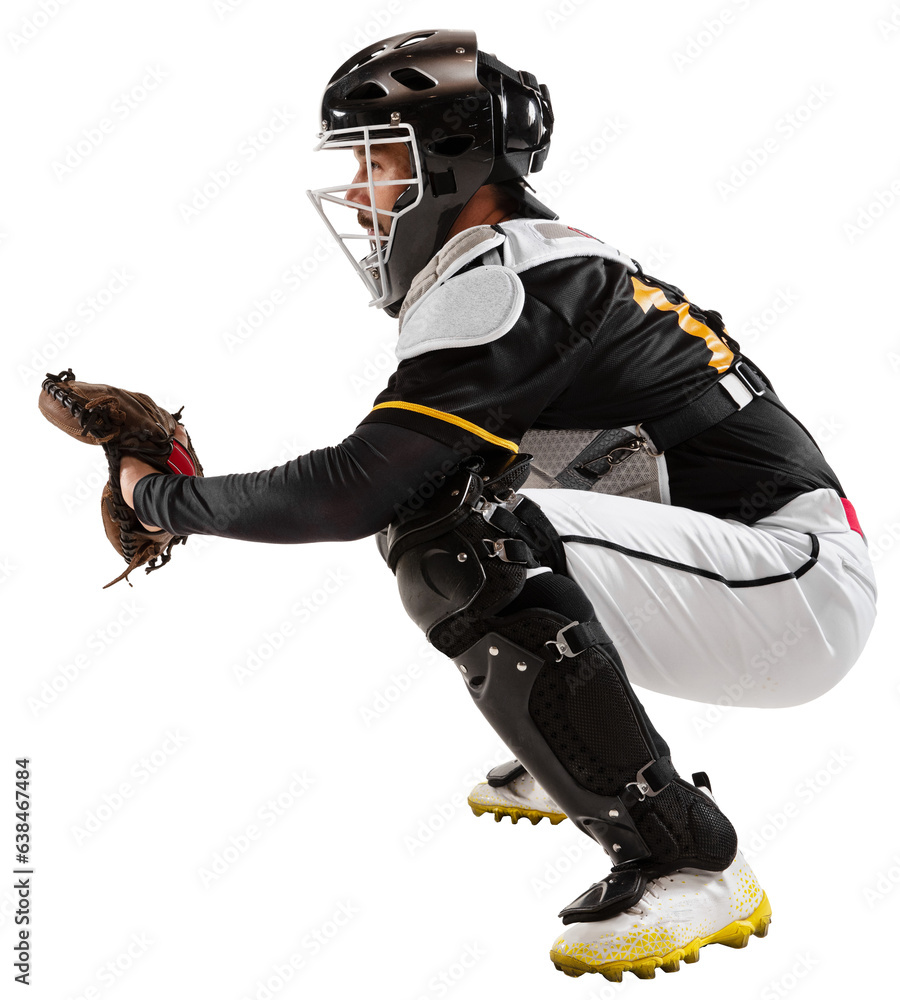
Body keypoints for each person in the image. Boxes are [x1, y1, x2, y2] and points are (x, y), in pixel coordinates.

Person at [120, 29, 877, 982]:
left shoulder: (515, 273)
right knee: (451, 500)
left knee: (455, 536)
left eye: (377, 158)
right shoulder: (517, 264)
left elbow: (356, 487)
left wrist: (160, 497)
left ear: (453, 157)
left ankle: (691, 858)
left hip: (791, 581)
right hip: (747, 573)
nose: (358, 192)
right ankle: (581, 747)